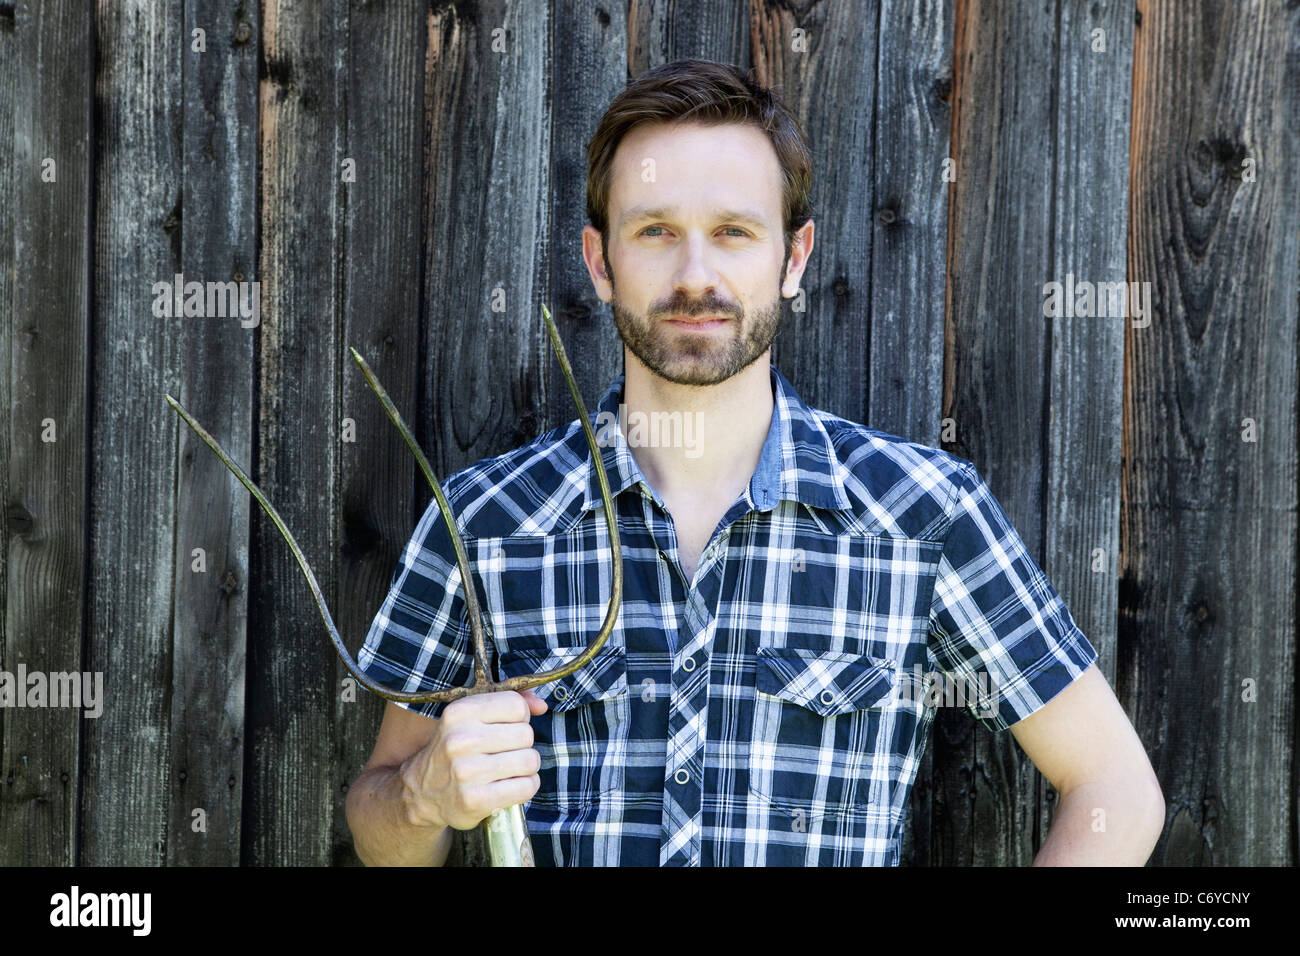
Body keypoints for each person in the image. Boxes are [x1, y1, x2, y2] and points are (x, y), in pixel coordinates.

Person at [344, 58, 1165, 867]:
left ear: (793, 257)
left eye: (733, 233)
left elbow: (1115, 788)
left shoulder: (923, 515)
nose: (695, 276)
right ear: (601, 263)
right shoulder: (486, 521)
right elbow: (380, 826)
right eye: (655, 231)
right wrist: (423, 794)